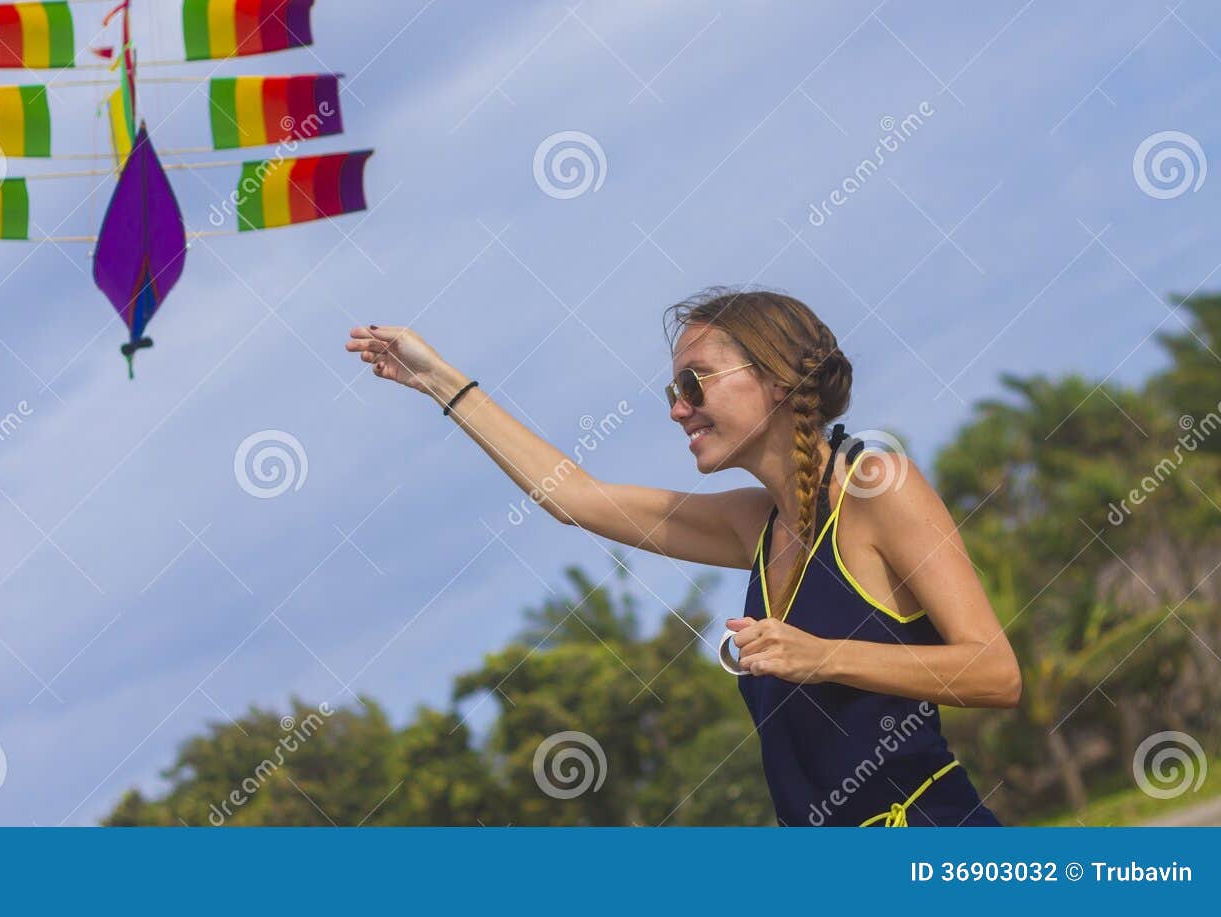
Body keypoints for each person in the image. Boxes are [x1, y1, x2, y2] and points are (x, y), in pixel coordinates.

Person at [345, 286, 1019, 827]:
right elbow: (576, 498)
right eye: (674, 393)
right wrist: (439, 380)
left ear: (779, 378)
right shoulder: (754, 525)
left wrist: (822, 655)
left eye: (694, 385)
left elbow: (994, 672)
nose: (677, 410)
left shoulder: (878, 485)